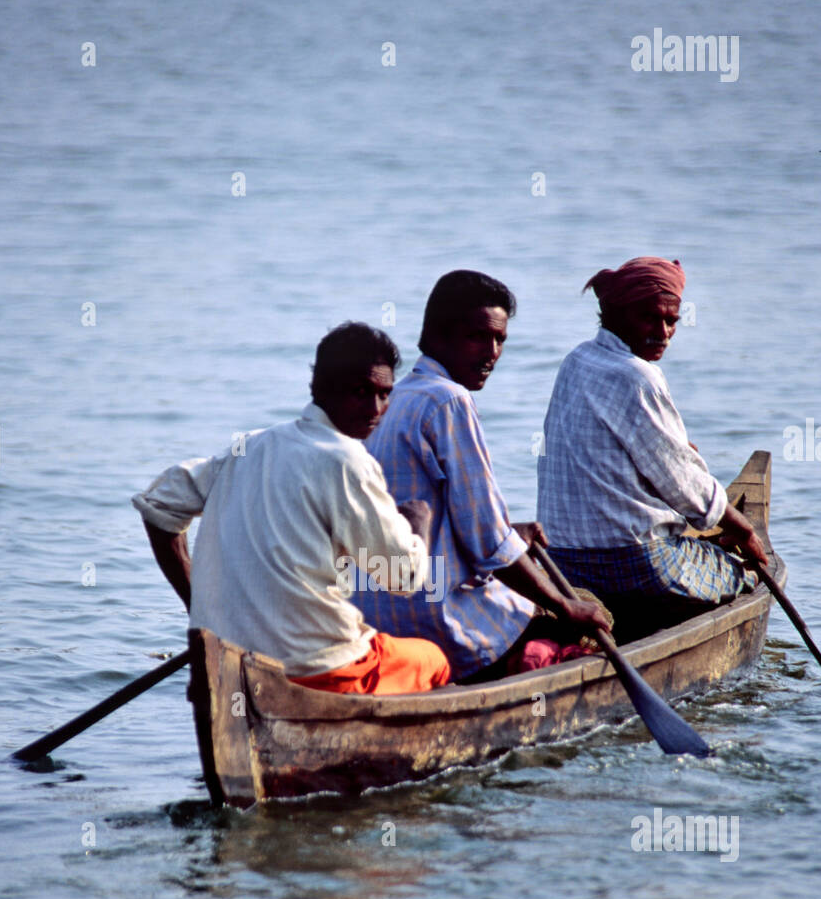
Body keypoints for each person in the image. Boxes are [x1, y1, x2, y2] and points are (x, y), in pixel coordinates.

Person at [132, 322, 451, 694]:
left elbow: (159, 505)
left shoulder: (251, 446)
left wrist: (203, 618)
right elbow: (402, 578)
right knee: (435, 659)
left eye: (384, 395)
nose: (375, 409)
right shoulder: (348, 460)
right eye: (362, 392)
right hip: (318, 669)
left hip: (228, 670)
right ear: (321, 390)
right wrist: (417, 526)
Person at [355, 270, 610, 682]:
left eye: (500, 340)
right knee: (573, 623)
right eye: (478, 337)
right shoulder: (449, 401)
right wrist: (566, 608)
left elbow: (438, 517)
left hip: (376, 614)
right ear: (436, 336)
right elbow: (488, 542)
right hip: (439, 618)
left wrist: (512, 533)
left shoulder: (391, 399)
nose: (492, 352)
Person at [536, 257, 768, 641]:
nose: (662, 331)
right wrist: (741, 529)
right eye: (649, 318)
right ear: (614, 315)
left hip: (565, 563)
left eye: (671, 321)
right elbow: (685, 485)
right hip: (637, 565)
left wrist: (680, 456)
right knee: (742, 575)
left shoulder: (575, 360)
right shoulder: (638, 375)